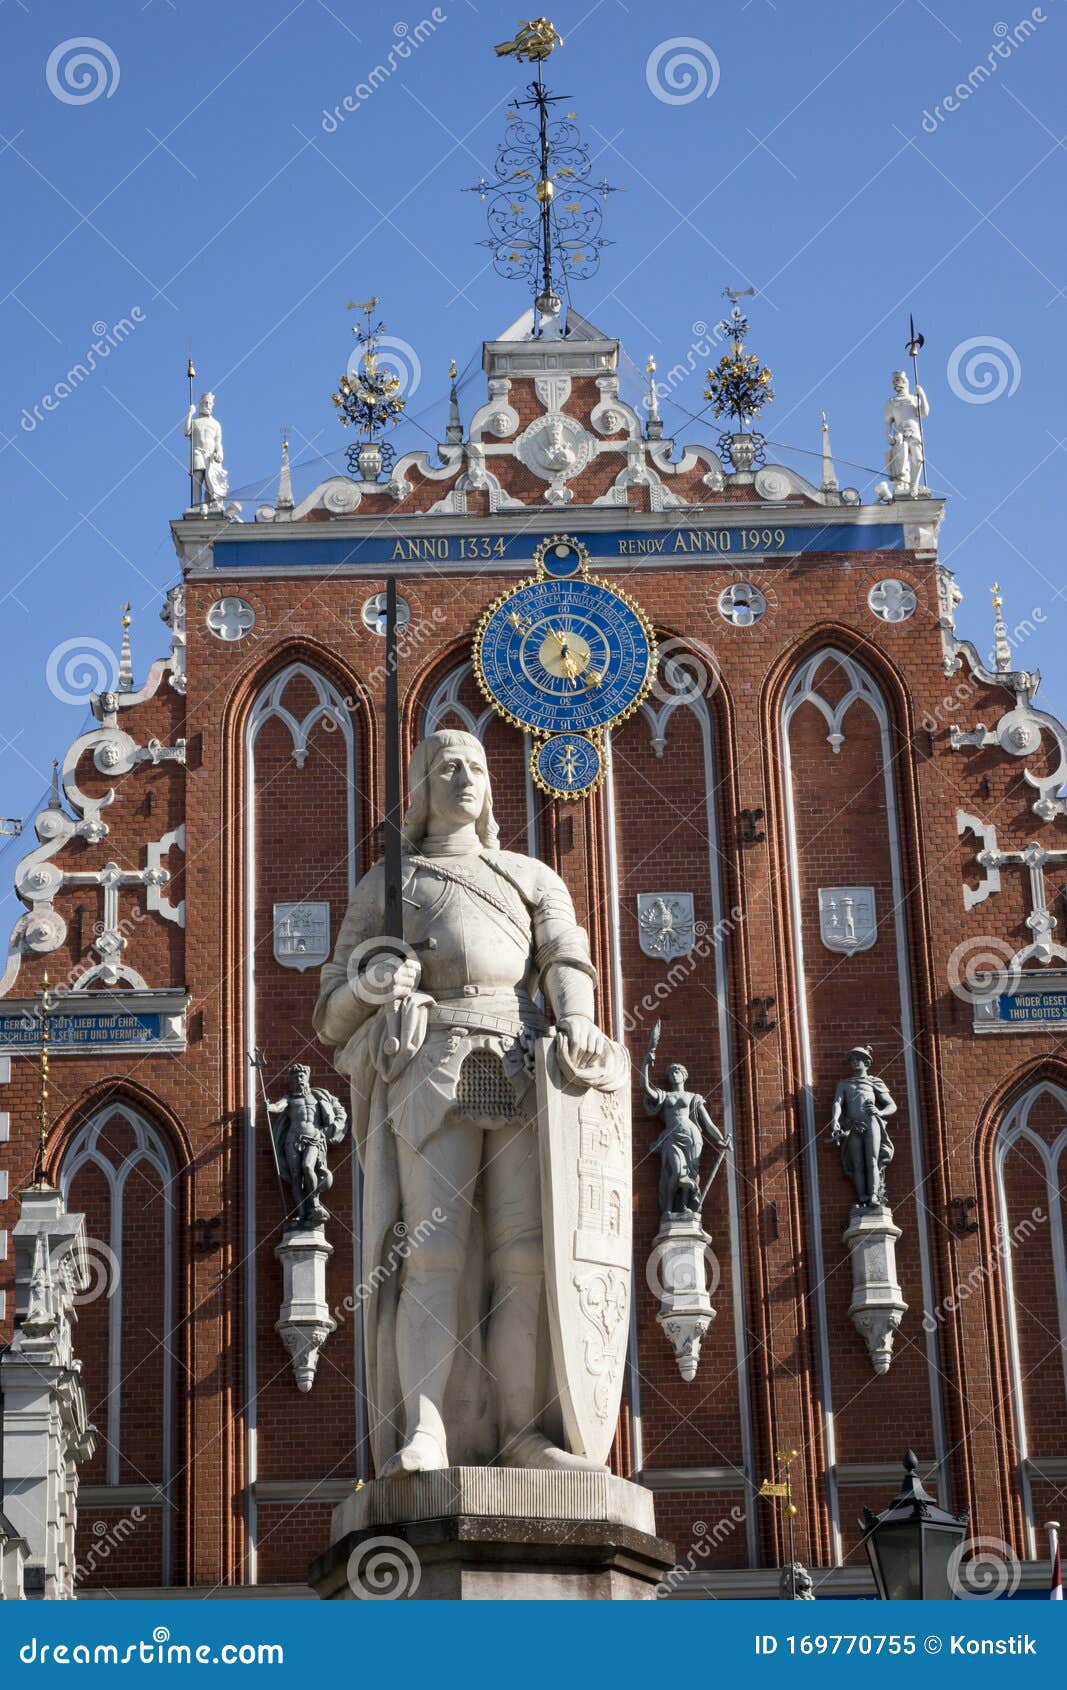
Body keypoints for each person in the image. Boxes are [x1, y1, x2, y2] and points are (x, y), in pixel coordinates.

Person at [314, 729, 626, 1475]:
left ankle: (526, 1432)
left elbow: (563, 956)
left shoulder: (528, 875)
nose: (465, 778)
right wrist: (371, 987)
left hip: (523, 1062)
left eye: (477, 767)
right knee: (434, 1254)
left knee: (523, 1259)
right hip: (434, 1061)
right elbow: (330, 1010)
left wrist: (576, 1016)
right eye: (445, 767)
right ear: (419, 787)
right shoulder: (391, 884)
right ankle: (425, 1431)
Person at [829, 1045, 896, 1209]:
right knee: (857, 1163)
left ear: (867, 1063)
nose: (854, 1062)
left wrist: (879, 1112)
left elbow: (892, 1106)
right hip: (853, 1126)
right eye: (852, 1060)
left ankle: (874, 1195)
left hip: (871, 1123)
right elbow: (838, 1102)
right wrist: (835, 1119)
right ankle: (862, 1197)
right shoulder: (844, 1084)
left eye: (858, 1059)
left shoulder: (874, 1082)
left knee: (872, 1160)